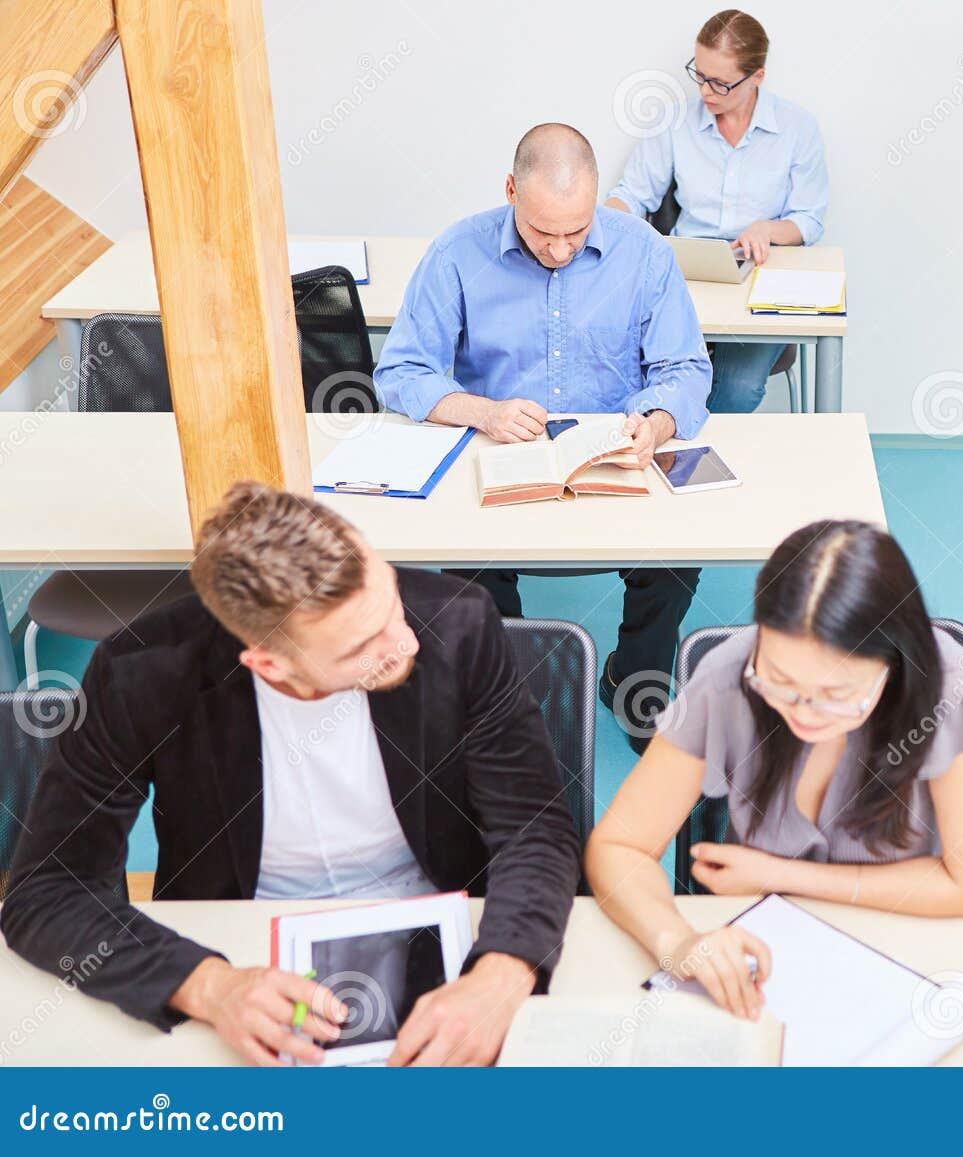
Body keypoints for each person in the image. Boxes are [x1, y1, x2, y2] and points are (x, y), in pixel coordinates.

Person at [0, 483, 581, 1066]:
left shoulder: (457, 622)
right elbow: (47, 891)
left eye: (391, 601)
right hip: (237, 937)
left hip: (446, 924)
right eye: (363, 645)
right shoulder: (141, 672)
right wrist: (210, 987)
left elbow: (534, 827)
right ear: (268, 663)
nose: (405, 642)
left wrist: (503, 974)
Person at [585, 520, 963, 1019]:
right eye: (780, 680)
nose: (805, 713)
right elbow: (619, 847)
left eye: (838, 694)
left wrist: (782, 875)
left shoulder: (948, 688)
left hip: (907, 945)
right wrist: (676, 941)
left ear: (893, 662)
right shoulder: (729, 675)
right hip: (767, 957)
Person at [375, 122, 712, 751]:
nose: (559, 250)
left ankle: (632, 677)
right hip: (497, 458)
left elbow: (686, 369)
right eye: (541, 232)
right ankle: (510, 686)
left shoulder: (644, 253)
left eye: (576, 232)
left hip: (613, 459)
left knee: (676, 556)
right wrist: (481, 411)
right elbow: (401, 372)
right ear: (510, 191)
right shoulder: (457, 253)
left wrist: (658, 421)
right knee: (467, 561)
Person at [604, 9, 828, 414]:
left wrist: (768, 229)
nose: (706, 92)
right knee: (627, 366)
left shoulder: (797, 128)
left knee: (738, 388)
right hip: (687, 276)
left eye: (721, 83)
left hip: (760, 278)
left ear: (757, 77)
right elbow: (632, 194)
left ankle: (686, 443)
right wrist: (608, 218)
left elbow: (809, 219)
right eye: (700, 75)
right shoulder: (675, 123)